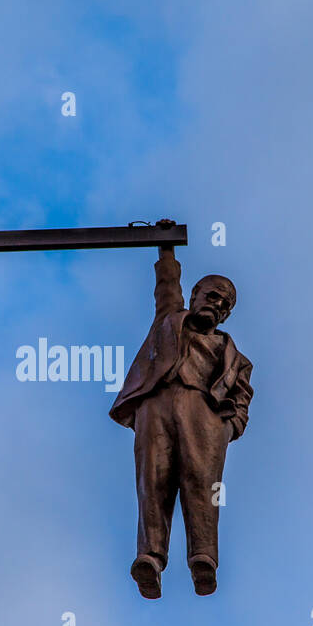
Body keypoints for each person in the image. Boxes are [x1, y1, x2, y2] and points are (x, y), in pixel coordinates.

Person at [109, 243, 253, 598]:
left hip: (202, 415)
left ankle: (203, 558)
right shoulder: (171, 319)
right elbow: (166, 286)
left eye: (225, 304)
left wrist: (227, 427)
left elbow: (242, 400)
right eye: (213, 296)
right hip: (156, 405)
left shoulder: (236, 359)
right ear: (195, 295)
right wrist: (166, 248)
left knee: (201, 486)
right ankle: (151, 558)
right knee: (152, 481)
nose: (217, 305)